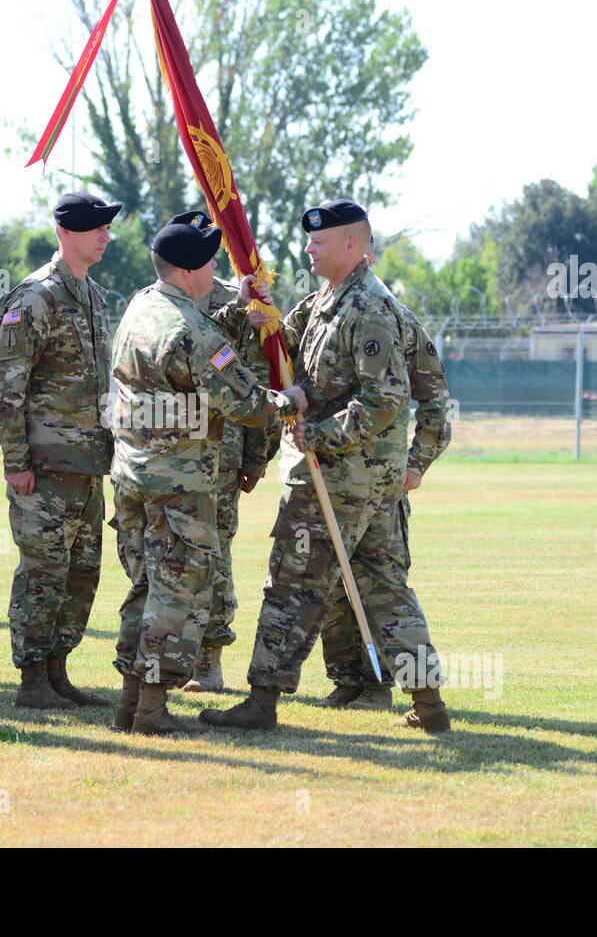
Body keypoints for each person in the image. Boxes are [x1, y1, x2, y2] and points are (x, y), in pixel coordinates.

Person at [200, 199, 451, 733]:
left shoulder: (369, 310)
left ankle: (262, 701)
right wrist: (256, 310)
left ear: (353, 246)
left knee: (293, 585)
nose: (309, 249)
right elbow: (281, 347)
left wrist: (314, 434)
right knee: (385, 590)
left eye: (319, 243)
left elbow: (384, 401)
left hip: (338, 477)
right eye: (309, 242)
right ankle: (428, 704)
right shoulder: (323, 302)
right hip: (362, 482)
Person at [109, 213, 306, 734]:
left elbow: (193, 354)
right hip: (181, 482)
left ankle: (129, 703)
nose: (216, 264)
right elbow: (244, 401)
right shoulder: (192, 331)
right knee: (178, 591)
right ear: (191, 269)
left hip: (133, 473)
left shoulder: (142, 307)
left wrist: (239, 306)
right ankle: (151, 709)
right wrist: (289, 401)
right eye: (210, 259)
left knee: (145, 588)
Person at [0, 192, 120, 711]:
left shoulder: (94, 296)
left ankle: (58, 670)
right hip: (43, 466)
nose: (105, 236)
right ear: (66, 232)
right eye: (95, 228)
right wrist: (16, 461)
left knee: (81, 572)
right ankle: (32, 677)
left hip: (87, 464)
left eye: (107, 228)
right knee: (42, 570)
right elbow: (5, 389)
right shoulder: (36, 297)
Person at [320, 269, 451, 710]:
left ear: (362, 249)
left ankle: (390, 688)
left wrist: (416, 465)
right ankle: (351, 680)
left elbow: (435, 399)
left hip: (379, 482)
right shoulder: (324, 307)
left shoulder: (393, 316)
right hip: (331, 476)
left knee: (383, 586)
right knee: (334, 586)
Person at [183, 244, 281, 693]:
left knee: (216, 552)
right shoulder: (155, 301)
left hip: (223, 452)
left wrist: (258, 455)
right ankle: (169, 655)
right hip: (171, 453)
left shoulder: (237, 302)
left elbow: (255, 381)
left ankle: (209, 659)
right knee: (168, 552)